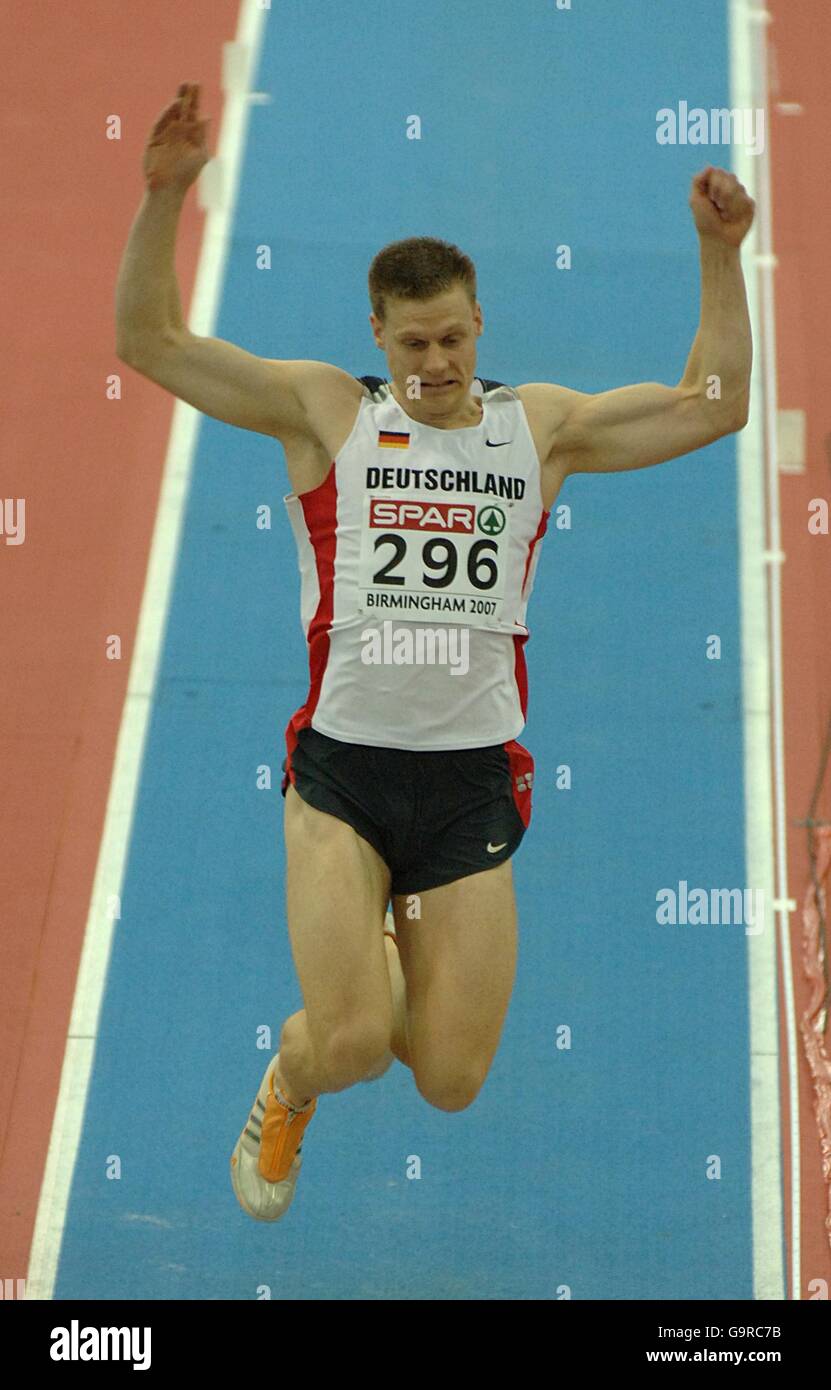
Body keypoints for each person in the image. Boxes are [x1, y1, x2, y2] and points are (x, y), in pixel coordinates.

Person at [115, 83, 755, 1222]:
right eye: (413, 342)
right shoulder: (329, 414)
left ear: (479, 323)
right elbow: (149, 342)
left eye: (454, 337)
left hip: (469, 780)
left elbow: (712, 406)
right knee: (355, 1040)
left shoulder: (537, 429)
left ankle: (380, 939)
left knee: (452, 1080)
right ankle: (291, 1075)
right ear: (377, 335)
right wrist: (166, 194)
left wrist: (718, 251)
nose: (436, 361)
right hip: (345, 772)